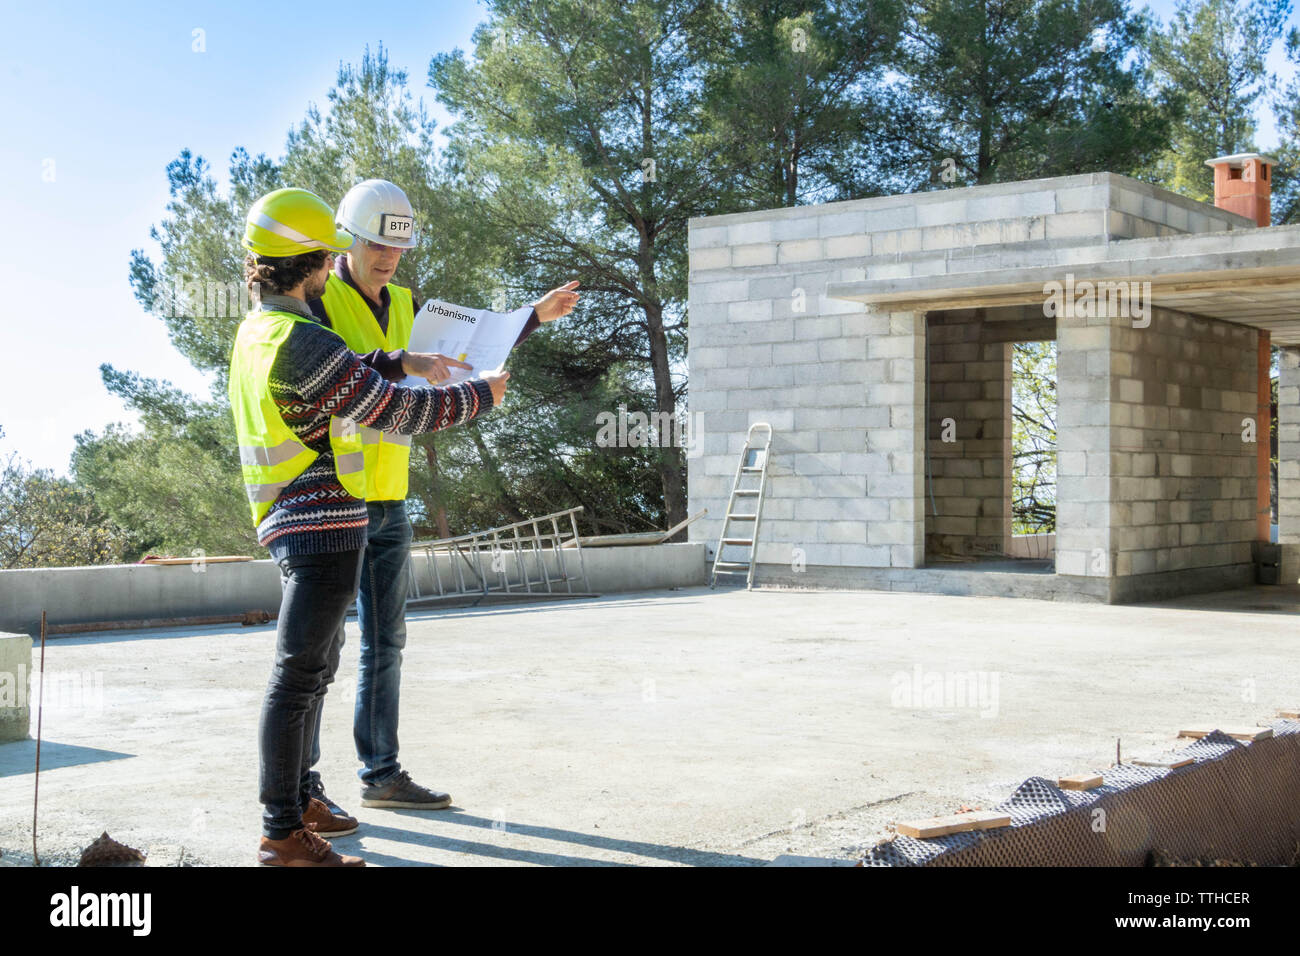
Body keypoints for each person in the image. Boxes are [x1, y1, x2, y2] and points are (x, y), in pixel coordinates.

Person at [228, 187, 509, 866]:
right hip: (319, 521)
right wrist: (482, 395)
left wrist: (401, 361)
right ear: (322, 261)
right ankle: (282, 833)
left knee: (315, 669)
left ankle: (300, 801)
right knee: (299, 673)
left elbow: (356, 375)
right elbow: (391, 411)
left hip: (296, 517)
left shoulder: (262, 331)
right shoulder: (302, 340)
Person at [302, 178, 578, 818]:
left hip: (389, 496)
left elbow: (464, 355)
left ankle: (382, 774)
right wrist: (402, 363)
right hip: (334, 497)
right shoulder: (318, 300)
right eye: (376, 244)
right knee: (320, 651)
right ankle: (305, 789)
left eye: (397, 248)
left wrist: (532, 317)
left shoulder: (404, 302)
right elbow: (339, 375)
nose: (388, 259)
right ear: (349, 238)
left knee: (386, 641)